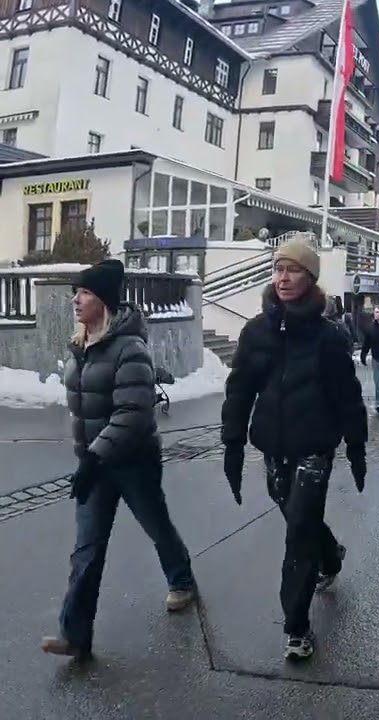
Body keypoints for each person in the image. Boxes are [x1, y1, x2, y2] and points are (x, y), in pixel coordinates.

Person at [41, 259, 198, 661]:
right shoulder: (81, 344)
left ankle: (181, 578)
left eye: (86, 293)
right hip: (94, 461)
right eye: (76, 292)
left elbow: (133, 413)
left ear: (105, 302)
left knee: (156, 525)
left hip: (133, 462)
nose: (76, 300)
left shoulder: (130, 347)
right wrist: (88, 453)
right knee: (86, 550)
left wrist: (95, 455)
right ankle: (75, 634)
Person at [220, 239, 367, 662]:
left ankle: (296, 626)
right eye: (278, 269)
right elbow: (239, 390)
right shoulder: (256, 331)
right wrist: (232, 443)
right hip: (273, 446)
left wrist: (356, 446)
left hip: (314, 450)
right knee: (297, 515)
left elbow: (348, 397)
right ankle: (330, 556)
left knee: (299, 529)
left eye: (293, 270)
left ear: (310, 278)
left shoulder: (328, 338)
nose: (283, 278)